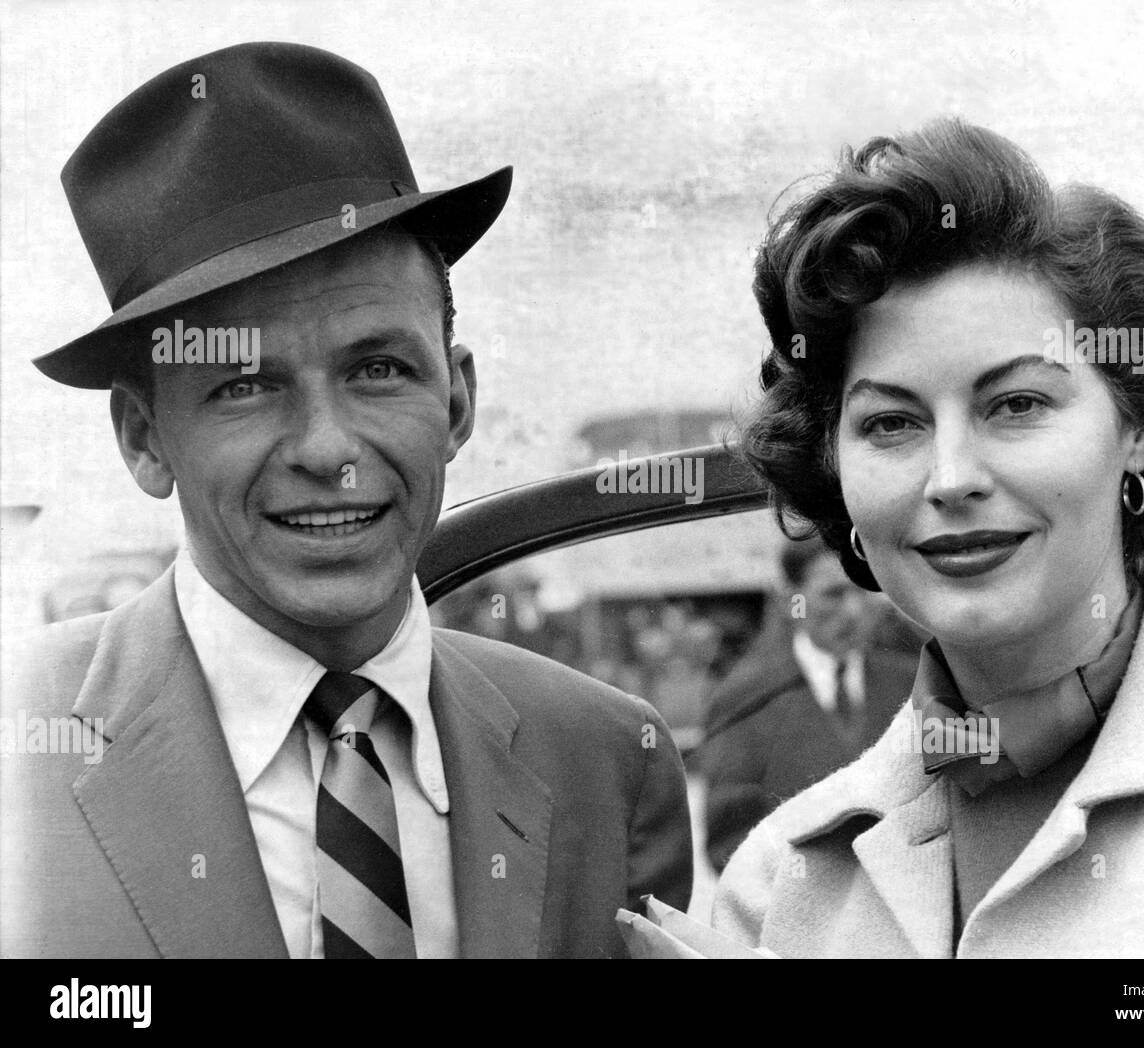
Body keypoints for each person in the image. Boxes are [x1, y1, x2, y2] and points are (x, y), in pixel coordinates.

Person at [0, 42, 692, 959]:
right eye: (244, 384)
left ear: (457, 399)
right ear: (143, 438)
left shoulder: (609, 762)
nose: (329, 449)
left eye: (377, 369)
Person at [712, 118, 1144, 957]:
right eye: (890, 423)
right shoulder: (778, 883)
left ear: (1142, 427)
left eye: (1017, 404)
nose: (950, 477)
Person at [702, 539, 922, 870]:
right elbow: (728, 844)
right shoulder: (745, 699)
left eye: (863, 591)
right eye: (832, 594)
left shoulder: (913, 683)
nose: (853, 612)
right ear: (791, 600)